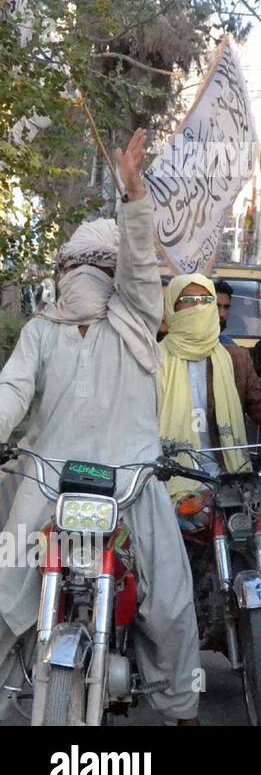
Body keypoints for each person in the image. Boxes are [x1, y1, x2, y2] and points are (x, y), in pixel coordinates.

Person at [0, 130, 202, 724]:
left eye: (93, 267)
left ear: (114, 276)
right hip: (47, 483)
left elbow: (143, 265)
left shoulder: (136, 321)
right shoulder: (42, 330)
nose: (78, 278)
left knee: (170, 605)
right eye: (71, 266)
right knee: (7, 591)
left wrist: (135, 197)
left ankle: (181, 706)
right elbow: (12, 390)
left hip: (132, 482)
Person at [159, 273, 261, 701]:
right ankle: (140, 660)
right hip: (168, 485)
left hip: (231, 481)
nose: (197, 308)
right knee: (148, 572)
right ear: (171, 308)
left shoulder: (233, 359)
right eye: (187, 300)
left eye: (205, 300)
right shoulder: (153, 360)